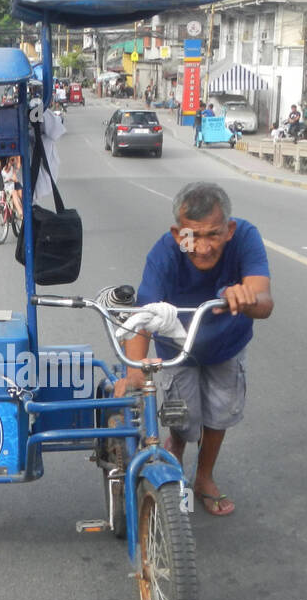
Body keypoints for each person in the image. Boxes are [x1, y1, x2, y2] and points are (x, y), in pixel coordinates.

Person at [114, 182, 273, 517]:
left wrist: (247, 299)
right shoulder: (164, 253)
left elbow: (264, 300)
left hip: (227, 342)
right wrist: (133, 373)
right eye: (192, 236)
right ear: (177, 233)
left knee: (220, 413)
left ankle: (204, 477)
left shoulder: (245, 237)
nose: (202, 247)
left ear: (229, 230)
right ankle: (178, 444)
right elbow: (142, 318)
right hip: (177, 347)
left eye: (213, 235)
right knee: (183, 416)